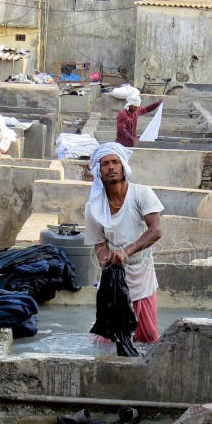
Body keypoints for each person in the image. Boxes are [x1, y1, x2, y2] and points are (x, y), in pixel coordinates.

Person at [85, 142, 164, 343]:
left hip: (141, 272)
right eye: (105, 164)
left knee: (146, 335)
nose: (111, 167)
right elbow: (99, 242)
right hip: (114, 274)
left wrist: (126, 252)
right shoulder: (94, 206)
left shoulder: (141, 193)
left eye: (115, 162)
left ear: (123, 167)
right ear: (99, 171)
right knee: (108, 338)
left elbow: (155, 231)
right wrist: (106, 262)